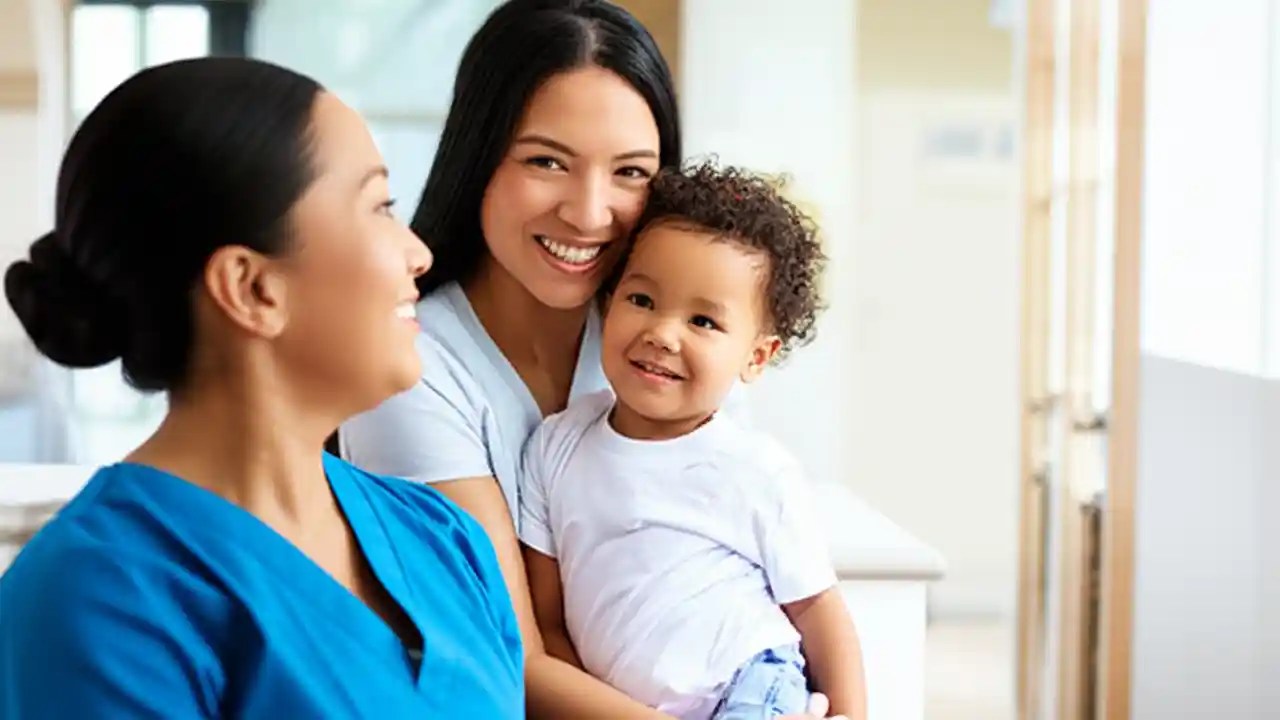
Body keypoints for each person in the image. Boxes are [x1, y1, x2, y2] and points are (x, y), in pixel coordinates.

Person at [340, 1, 844, 718]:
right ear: (479, 157)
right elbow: (508, 656)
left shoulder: (671, 346)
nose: (588, 211)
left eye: (631, 173)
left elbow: (774, 593)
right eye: (547, 161)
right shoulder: (410, 368)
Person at [0, 57, 522, 718]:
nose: (418, 252)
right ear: (252, 289)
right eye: (379, 207)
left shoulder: (446, 540)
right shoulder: (90, 602)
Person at [519, 162, 868, 720]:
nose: (662, 333)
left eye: (703, 321)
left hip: (748, 686)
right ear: (608, 304)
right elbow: (548, 620)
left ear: (755, 357)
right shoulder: (554, 448)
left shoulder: (755, 469)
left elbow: (819, 609)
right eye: (642, 300)